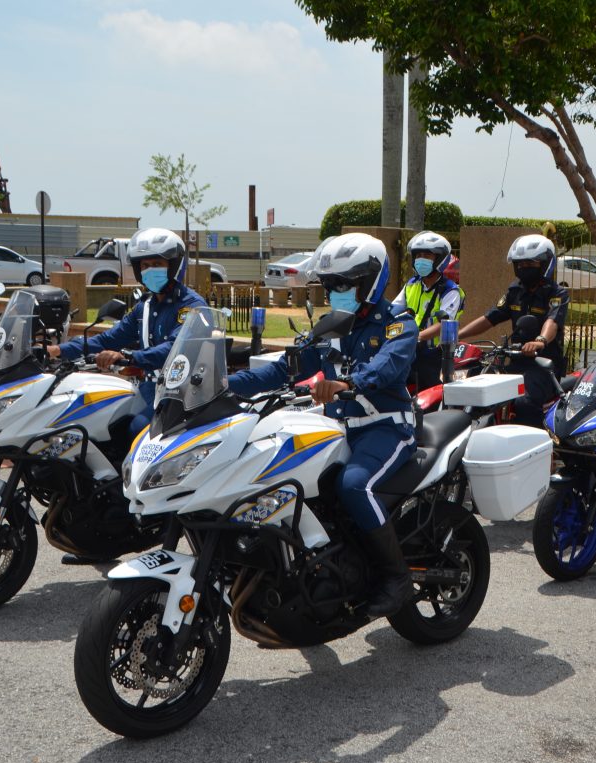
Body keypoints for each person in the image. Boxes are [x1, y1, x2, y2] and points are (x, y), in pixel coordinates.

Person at [229, 233, 419, 617]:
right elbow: (285, 369)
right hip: (338, 428)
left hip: (386, 427)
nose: (336, 292)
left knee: (353, 485)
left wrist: (348, 383)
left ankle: (397, 578)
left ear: (370, 281)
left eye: (345, 284)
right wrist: (220, 385)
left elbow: (388, 366)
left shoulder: (397, 322)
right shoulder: (331, 326)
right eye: (331, 285)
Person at [46, 227, 207, 438]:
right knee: (99, 422)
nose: (150, 270)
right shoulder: (145, 306)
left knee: (135, 430)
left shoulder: (191, 306)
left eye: (157, 264)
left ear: (174, 265)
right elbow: (109, 339)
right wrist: (57, 349)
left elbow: (176, 348)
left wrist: (129, 357)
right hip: (149, 389)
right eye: (145, 265)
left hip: (181, 394)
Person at [457, 233, 569, 427]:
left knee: (523, 402)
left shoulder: (557, 293)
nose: (524, 268)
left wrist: (540, 340)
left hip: (543, 367)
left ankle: (532, 445)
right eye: (520, 264)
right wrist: (457, 335)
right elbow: (489, 318)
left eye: (530, 264)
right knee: (476, 390)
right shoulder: (515, 290)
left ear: (545, 264)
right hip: (515, 363)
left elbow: (552, 321)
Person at [389, 231, 465, 390]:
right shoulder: (411, 284)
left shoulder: (451, 291)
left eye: (427, 255)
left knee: (429, 396)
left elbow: (443, 325)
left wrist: (416, 336)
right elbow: (392, 311)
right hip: (409, 349)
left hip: (434, 355)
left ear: (440, 259)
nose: (421, 259)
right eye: (418, 255)